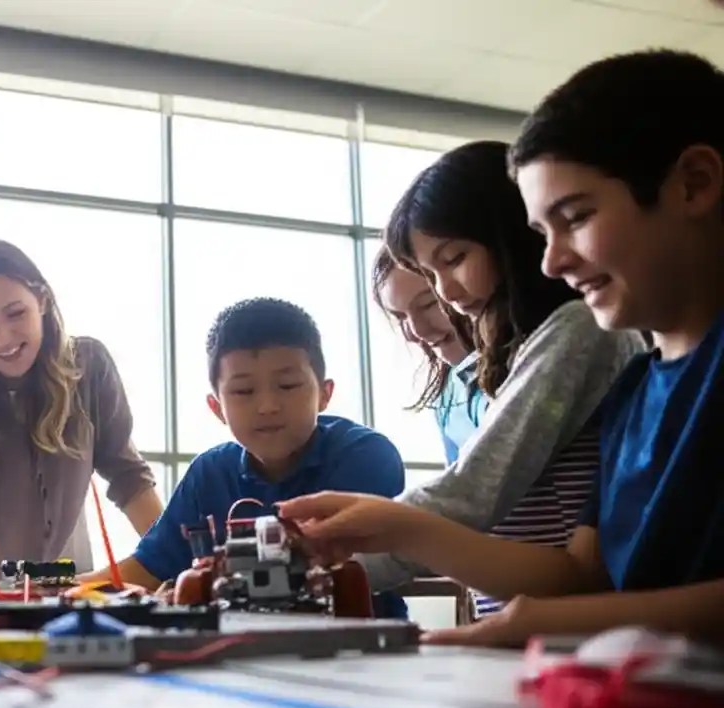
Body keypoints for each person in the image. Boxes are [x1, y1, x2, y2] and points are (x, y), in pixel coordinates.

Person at [279, 50, 724, 647]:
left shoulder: (583, 339)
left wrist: (538, 621)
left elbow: (573, 591)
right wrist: (395, 528)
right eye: (542, 233)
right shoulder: (634, 392)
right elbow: (583, 578)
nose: (552, 260)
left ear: (694, 184)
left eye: (577, 217)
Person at [364, 140, 647, 618]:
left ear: (510, 233)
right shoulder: (514, 354)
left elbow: (476, 487)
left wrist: (334, 558)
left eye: (454, 259)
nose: (448, 293)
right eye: (431, 275)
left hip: (578, 624)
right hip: (525, 622)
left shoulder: (579, 330)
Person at [90, 297, 408, 618]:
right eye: (243, 391)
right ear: (217, 408)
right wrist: (57, 588)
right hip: (234, 653)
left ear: (324, 394)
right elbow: (144, 569)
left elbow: (336, 562)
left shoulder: (366, 456)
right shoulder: (209, 472)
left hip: (359, 648)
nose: (267, 406)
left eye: (287, 385)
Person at [0, 239, 164, 585]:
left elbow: (129, 479)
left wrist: (174, 558)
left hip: (54, 587)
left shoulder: (90, 369)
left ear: (43, 300)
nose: (1, 338)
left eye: (15, 313)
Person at [370, 246, 484, 463]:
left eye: (429, 304)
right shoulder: (448, 393)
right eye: (401, 317)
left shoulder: (530, 366)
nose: (417, 332)